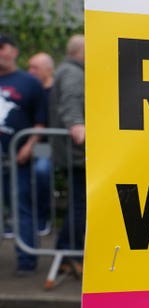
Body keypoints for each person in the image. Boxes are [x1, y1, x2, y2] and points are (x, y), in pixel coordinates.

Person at [0, 35, 46, 275]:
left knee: (21, 207)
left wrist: (29, 146)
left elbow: (41, 120)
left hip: (18, 156)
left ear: (14, 51)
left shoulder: (29, 83)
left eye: (2, 47)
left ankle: (26, 260)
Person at [48, 35, 85, 274]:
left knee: (77, 203)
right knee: (80, 205)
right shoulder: (73, 73)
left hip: (67, 152)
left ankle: (64, 253)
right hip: (77, 152)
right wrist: (77, 124)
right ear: (81, 51)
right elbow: (71, 100)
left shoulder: (64, 70)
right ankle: (70, 254)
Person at [25, 52, 55, 238]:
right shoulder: (29, 87)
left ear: (47, 69)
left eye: (34, 67)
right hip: (25, 142)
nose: (30, 71)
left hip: (46, 144)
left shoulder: (56, 89)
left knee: (41, 171)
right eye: (29, 67)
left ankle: (42, 217)